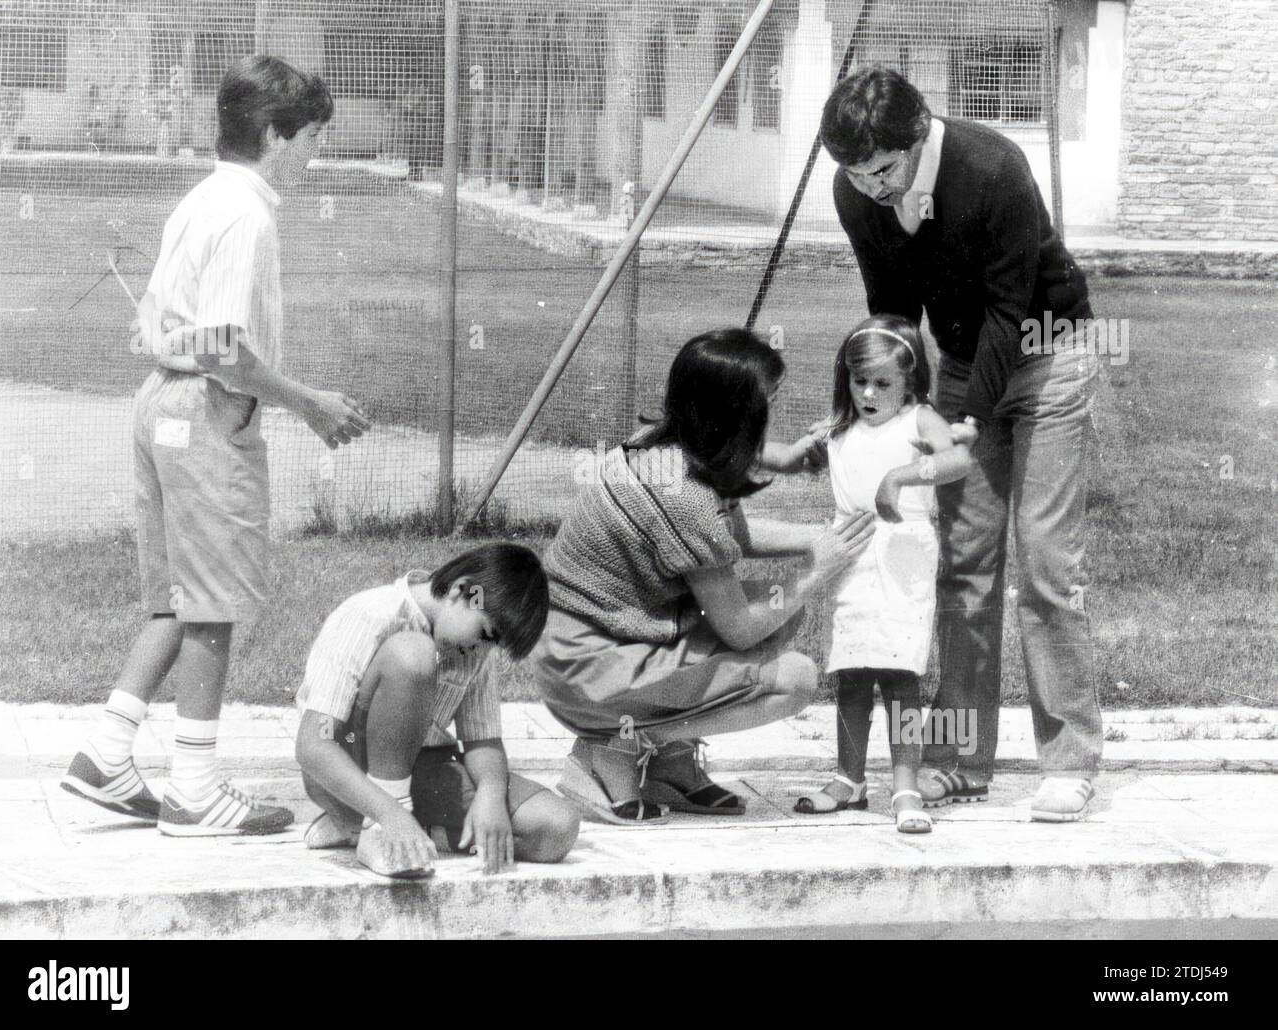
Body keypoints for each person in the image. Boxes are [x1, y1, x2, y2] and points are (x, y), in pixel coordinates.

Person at [60, 56, 370, 836]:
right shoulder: (248, 215)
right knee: (211, 607)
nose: (313, 156)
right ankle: (194, 790)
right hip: (205, 413)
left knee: (174, 599)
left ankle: (105, 755)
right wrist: (310, 404)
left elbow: (168, 325)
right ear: (273, 135)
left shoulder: (202, 198)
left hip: (159, 404)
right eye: (310, 139)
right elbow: (228, 351)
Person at [821, 67, 1103, 821]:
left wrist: (966, 421)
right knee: (962, 568)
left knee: (1046, 566)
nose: (871, 187)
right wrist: (888, 412)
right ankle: (959, 762)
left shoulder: (994, 167)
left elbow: (1012, 314)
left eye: (882, 169)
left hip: (1047, 354)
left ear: (917, 137)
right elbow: (891, 313)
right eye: (854, 172)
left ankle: (1070, 762)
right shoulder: (856, 193)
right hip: (958, 368)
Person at [530, 327, 874, 825]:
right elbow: (738, 626)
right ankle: (618, 745)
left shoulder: (661, 449)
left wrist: (830, 531)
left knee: (777, 613)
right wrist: (816, 568)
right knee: (795, 679)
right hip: (586, 668)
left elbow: (728, 538)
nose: (773, 413)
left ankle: (670, 765)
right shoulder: (686, 499)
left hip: (579, 646)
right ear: (740, 416)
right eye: (769, 402)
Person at [782, 315, 971, 832]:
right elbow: (785, 460)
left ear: (909, 381)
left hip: (904, 556)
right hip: (854, 556)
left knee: (900, 673)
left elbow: (958, 461)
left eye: (882, 383)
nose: (868, 392)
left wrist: (901, 476)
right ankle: (849, 779)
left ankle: (905, 785)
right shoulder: (839, 428)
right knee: (852, 670)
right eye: (858, 380)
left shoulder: (919, 420)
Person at [295, 544, 580, 878]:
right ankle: (379, 829)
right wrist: (391, 812)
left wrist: (490, 792)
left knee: (555, 827)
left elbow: (482, 742)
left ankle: (389, 832)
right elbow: (313, 746)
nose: (483, 649)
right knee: (414, 655)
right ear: (463, 591)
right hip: (351, 765)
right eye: (485, 634)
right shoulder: (370, 613)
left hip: (423, 773)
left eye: (493, 644)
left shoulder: (473, 650)